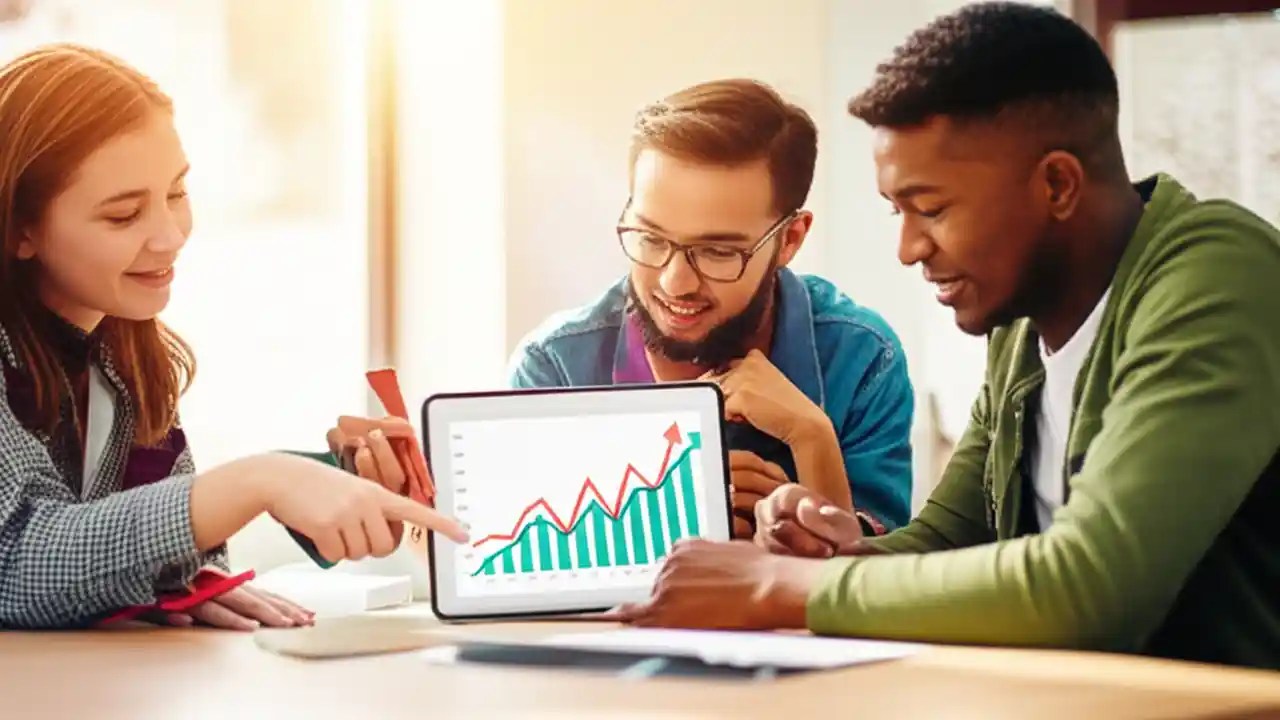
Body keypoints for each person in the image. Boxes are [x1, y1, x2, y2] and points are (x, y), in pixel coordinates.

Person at [609, 2, 1280, 670]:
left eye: (930, 209)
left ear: (1056, 184)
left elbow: (1091, 583)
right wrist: (841, 554)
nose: (907, 248)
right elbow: (949, 541)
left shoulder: (1218, 276)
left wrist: (773, 584)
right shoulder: (1023, 326)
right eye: (896, 210)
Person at [0, 44, 467, 631]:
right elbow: (15, 564)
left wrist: (331, 484)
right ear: (20, 229)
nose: (171, 236)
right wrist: (259, 480)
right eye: (123, 216)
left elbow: (166, 548)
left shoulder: (127, 359)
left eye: (175, 193)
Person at [327, 79, 915, 538]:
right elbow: (520, 559)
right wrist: (671, 520)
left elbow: (871, 584)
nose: (674, 280)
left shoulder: (862, 357)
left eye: (717, 252)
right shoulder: (556, 365)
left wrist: (812, 438)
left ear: (789, 240)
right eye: (650, 236)